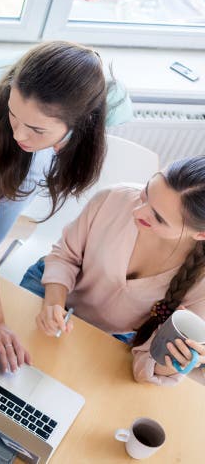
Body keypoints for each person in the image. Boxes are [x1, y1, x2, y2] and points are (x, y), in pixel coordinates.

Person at [0, 41, 133, 373]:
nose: (19, 134)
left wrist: (57, 141)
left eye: (35, 128)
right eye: (15, 117)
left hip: (44, 139)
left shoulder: (111, 101)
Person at [19, 156, 205, 386]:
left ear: (200, 234)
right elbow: (64, 256)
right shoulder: (113, 198)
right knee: (9, 363)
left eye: (157, 217)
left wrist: (173, 361)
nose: (138, 211)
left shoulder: (200, 282)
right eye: (147, 192)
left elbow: (143, 370)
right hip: (53, 290)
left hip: (117, 333)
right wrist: (53, 303)